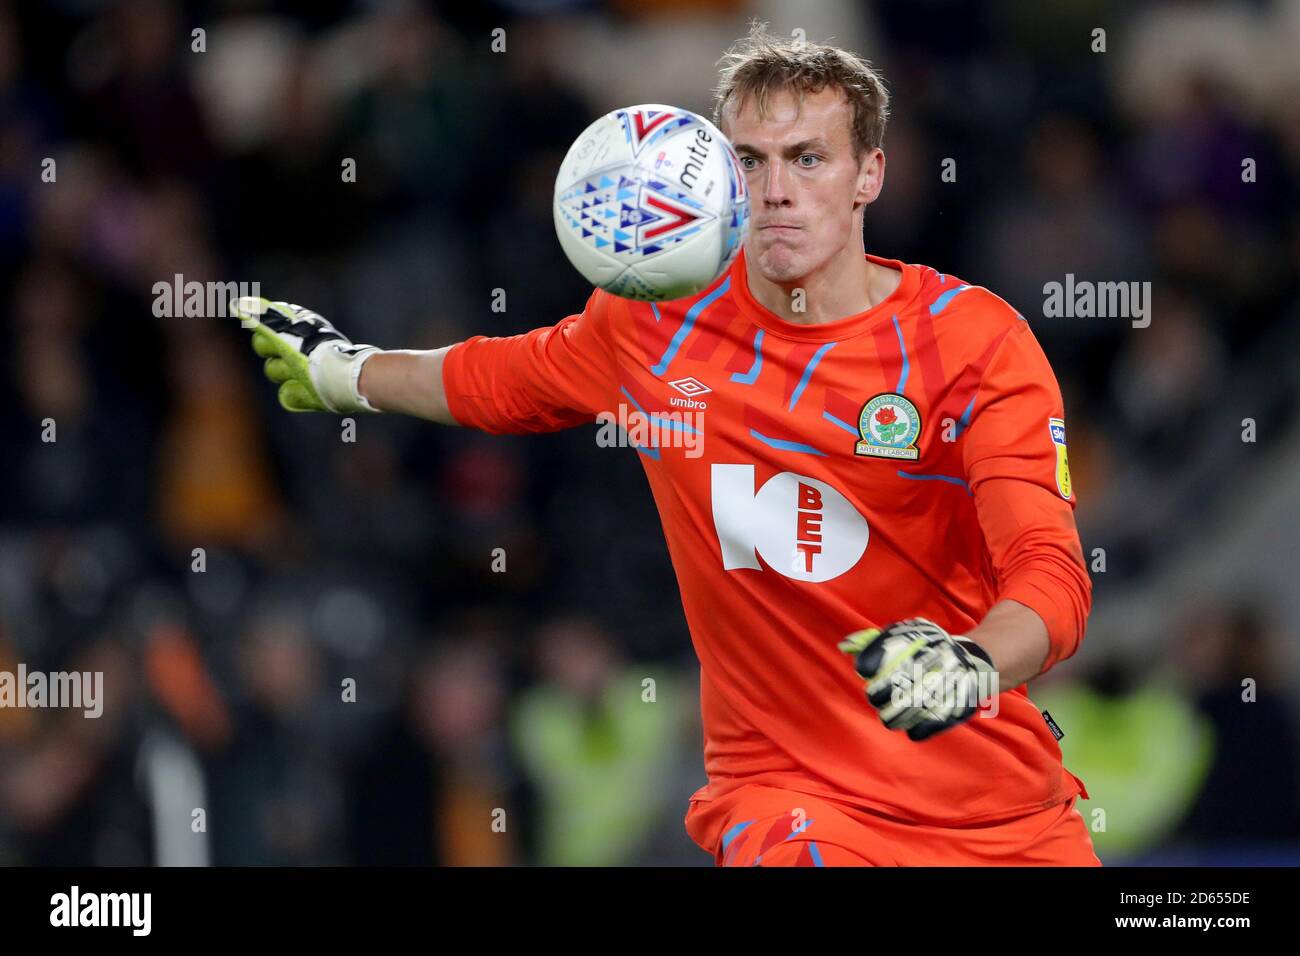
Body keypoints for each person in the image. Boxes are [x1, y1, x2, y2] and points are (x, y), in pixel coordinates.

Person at [229, 25, 1095, 866]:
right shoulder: (655, 326)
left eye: (808, 158)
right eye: (749, 161)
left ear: (869, 173)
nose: (775, 190)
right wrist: (346, 373)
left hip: (998, 813)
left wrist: (972, 661)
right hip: (790, 797)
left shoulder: (973, 343)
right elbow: (498, 380)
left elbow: (1049, 575)